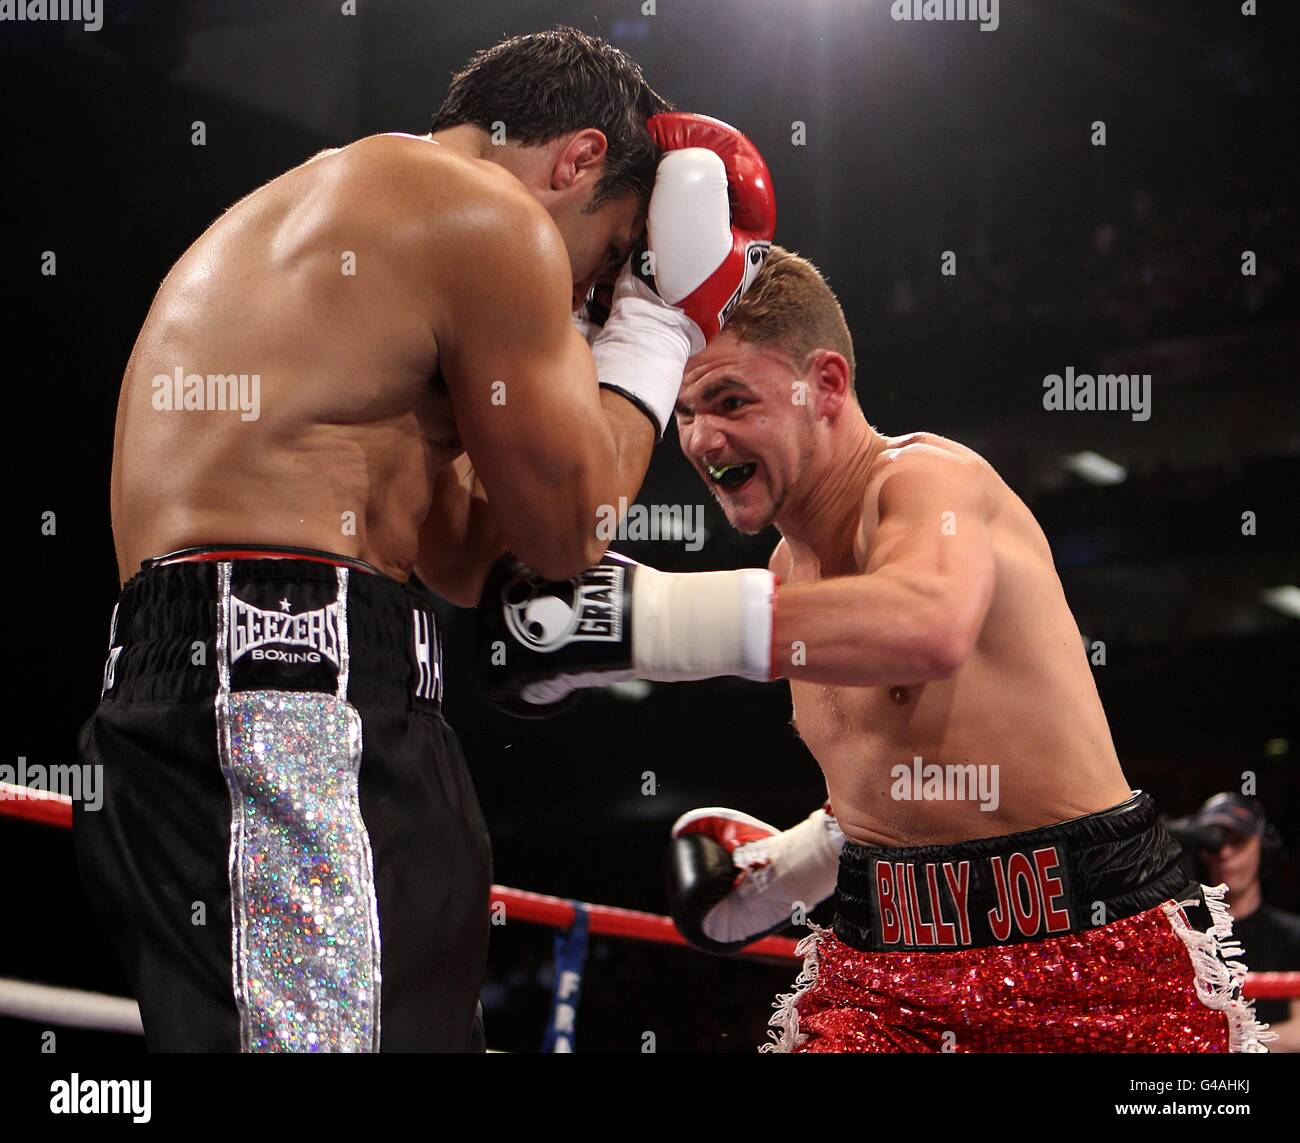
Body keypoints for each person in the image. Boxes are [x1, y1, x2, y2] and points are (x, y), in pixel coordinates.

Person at [76, 26, 775, 1051]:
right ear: (577, 159)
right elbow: (571, 527)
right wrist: (658, 324)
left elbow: (467, 553)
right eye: (614, 256)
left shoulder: (358, 223)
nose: (588, 295)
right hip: (284, 689)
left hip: (295, 679)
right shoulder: (484, 213)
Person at [480, 246, 1270, 1052]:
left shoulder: (929, 479)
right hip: (883, 965)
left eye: (730, 399)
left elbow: (928, 625)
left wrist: (641, 620)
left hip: (1088, 953)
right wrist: (787, 868)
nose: (704, 438)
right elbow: (897, 782)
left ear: (825, 385)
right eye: (684, 412)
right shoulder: (785, 576)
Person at [1191, 793, 1300, 1051]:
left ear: (1262, 846)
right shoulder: (1187, 935)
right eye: (1214, 844)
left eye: (1237, 841)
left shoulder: (1293, 935)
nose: (1225, 853)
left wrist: (1230, 1044)